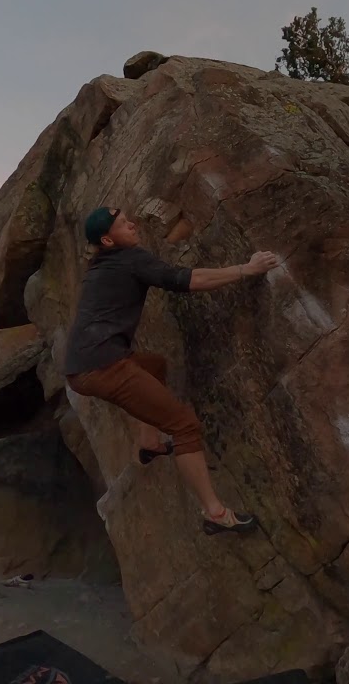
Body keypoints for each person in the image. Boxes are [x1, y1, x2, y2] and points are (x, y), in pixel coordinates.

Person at [62, 206, 280, 535]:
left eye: (127, 219)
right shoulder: (130, 259)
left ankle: (149, 441)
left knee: (153, 366)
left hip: (86, 365)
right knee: (184, 426)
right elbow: (188, 280)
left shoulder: (103, 264)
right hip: (103, 365)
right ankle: (215, 513)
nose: (132, 224)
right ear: (108, 239)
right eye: (123, 224)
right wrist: (246, 269)